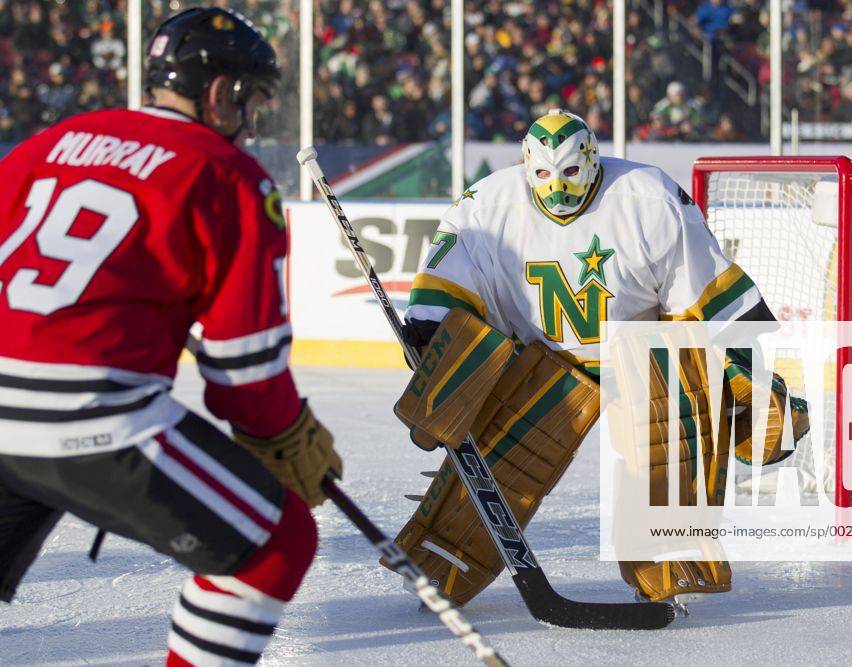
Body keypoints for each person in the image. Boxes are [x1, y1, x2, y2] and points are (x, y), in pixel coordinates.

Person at [0, 8, 340, 665]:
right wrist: (283, 433)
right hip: (85, 412)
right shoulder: (227, 172)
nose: (251, 118)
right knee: (277, 540)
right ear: (219, 93)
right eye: (251, 98)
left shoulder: (51, 142)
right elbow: (244, 373)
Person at [384, 110, 807, 609]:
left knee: (669, 454)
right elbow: (449, 276)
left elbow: (702, 287)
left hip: (641, 354)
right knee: (499, 472)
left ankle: (665, 575)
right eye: (542, 175)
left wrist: (743, 369)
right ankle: (441, 569)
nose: (557, 188)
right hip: (542, 363)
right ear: (526, 167)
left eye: (570, 174)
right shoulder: (487, 206)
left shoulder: (646, 196)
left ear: (591, 160)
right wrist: (430, 328)